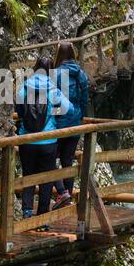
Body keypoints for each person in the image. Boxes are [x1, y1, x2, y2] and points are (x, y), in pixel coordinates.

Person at [15, 54, 70, 218]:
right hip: (48, 141)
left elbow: (19, 111)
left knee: (28, 176)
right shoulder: (54, 90)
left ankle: (27, 213)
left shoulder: (24, 87)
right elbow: (67, 110)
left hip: (27, 140)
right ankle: (43, 219)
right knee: (47, 179)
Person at [50, 41, 92, 208]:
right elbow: (85, 97)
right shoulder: (80, 73)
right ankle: (67, 195)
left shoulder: (56, 74)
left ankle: (62, 192)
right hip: (74, 121)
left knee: (50, 159)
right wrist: (80, 115)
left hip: (59, 122)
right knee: (68, 160)